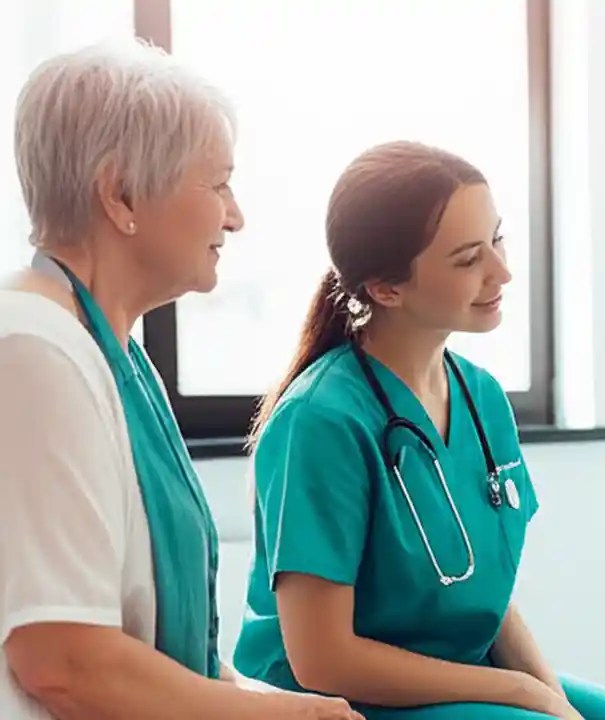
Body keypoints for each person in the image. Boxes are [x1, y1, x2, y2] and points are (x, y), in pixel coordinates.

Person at [232, 141, 605, 720]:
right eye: (469, 259)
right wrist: (515, 692)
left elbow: (484, 599)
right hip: (344, 703)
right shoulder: (320, 421)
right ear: (386, 288)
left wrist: (552, 699)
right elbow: (323, 660)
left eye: (497, 240)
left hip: (459, 678)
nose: (503, 271)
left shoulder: (480, 396)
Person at [0, 41, 361, 719]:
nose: (236, 215)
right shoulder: (31, 349)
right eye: (218, 182)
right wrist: (299, 715)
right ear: (121, 193)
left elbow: (172, 654)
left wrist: (278, 704)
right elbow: (65, 662)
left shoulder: (113, 357)